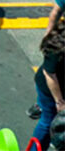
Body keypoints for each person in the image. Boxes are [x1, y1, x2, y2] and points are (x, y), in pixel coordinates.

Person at [33, 21, 65, 150]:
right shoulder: (57, 45)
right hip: (49, 90)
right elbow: (49, 74)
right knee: (47, 121)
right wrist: (59, 102)